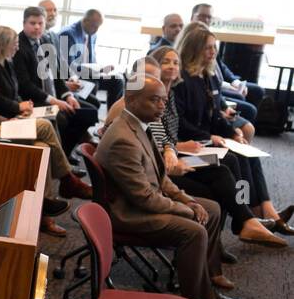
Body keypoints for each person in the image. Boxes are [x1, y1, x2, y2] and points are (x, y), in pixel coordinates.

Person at [94, 76, 239, 299]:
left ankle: (205, 288)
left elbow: (161, 179)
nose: (162, 105)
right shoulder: (123, 138)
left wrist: (188, 200)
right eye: (154, 99)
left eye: (163, 99)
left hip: (144, 202)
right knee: (194, 231)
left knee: (213, 208)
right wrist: (187, 209)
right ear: (132, 100)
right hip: (127, 214)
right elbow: (145, 199)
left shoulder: (142, 126)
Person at [114, 48, 286, 249]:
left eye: (176, 62)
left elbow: (165, 137)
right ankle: (240, 223)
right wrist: (176, 147)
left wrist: (174, 147)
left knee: (231, 162)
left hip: (177, 156)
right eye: (165, 63)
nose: (171, 67)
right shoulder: (147, 102)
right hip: (166, 165)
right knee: (222, 173)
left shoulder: (166, 97)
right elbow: (157, 138)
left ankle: (247, 216)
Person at [0, 23, 92, 233]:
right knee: (43, 125)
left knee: (42, 146)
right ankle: (67, 179)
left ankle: (44, 211)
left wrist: (8, 121)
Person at [173, 27, 293, 233]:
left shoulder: (207, 76)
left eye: (214, 47)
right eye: (208, 48)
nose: (213, 52)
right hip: (189, 147)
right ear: (194, 49)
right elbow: (181, 124)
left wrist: (232, 133)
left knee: (249, 155)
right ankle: (248, 214)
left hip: (205, 142)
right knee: (235, 159)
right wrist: (210, 137)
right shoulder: (181, 81)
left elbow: (216, 115)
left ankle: (263, 210)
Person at [13, 6, 98, 155]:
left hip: (54, 95)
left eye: (40, 23)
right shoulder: (19, 46)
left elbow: (56, 73)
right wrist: (54, 101)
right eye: (32, 23)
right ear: (24, 23)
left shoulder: (46, 40)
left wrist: (68, 95)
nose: (37, 27)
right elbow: (25, 85)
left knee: (90, 112)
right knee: (64, 118)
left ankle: (65, 152)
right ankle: (61, 158)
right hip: (35, 99)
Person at [189, 3, 264, 113]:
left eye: (209, 17)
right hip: (211, 85)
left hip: (219, 81)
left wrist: (234, 80)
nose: (205, 20)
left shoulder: (209, 37)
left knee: (257, 90)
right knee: (247, 107)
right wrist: (227, 86)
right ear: (192, 17)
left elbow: (221, 66)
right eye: (201, 16)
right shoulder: (190, 41)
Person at [55, 8, 124, 105]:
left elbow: (92, 59)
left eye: (98, 26)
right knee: (94, 83)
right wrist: (96, 71)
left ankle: (113, 116)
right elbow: (69, 67)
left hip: (88, 73)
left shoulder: (91, 33)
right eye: (94, 26)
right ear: (85, 21)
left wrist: (101, 69)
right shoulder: (67, 34)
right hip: (74, 76)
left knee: (118, 79)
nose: (96, 30)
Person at [0, 25, 33, 118]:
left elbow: (14, 93)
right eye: (14, 44)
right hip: (0, 117)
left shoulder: (7, 62)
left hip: (13, 113)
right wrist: (18, 107)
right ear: (2, 45)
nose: (17, 48)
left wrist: (24, 106)